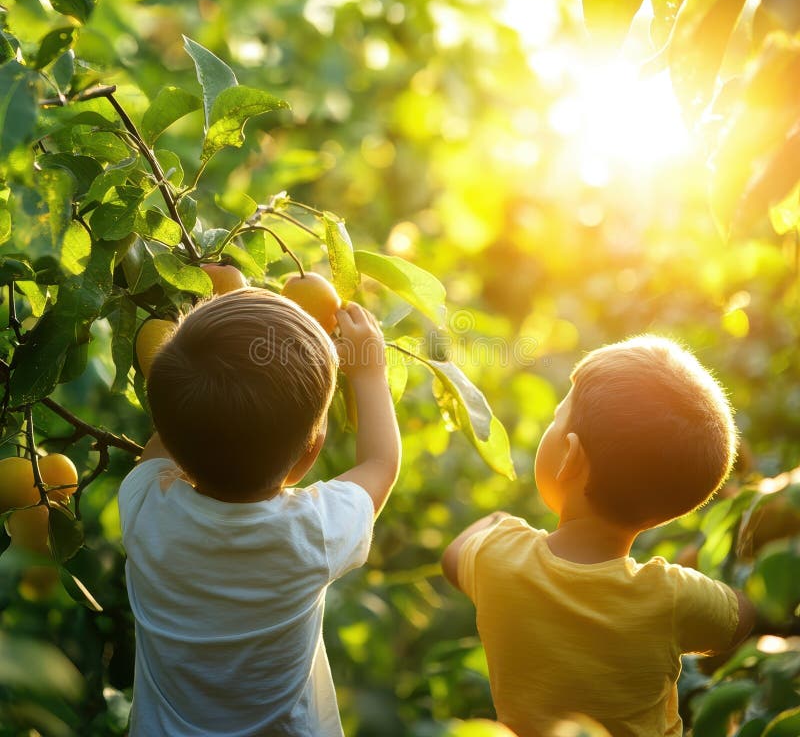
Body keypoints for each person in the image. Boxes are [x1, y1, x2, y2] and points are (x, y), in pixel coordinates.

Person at [118, 288, 400, 737]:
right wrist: (369, 371)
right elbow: (380, 465)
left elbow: (171, 430)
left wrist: (220, 334)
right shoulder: (312, 535)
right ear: (312, 448)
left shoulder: (144, 508)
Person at [441, 335, 756, 737]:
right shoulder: (674, 597)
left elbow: (453, 557)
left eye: (556, 418)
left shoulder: (499, 556)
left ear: (570, 456)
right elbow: (741, 617)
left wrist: (501, 518)